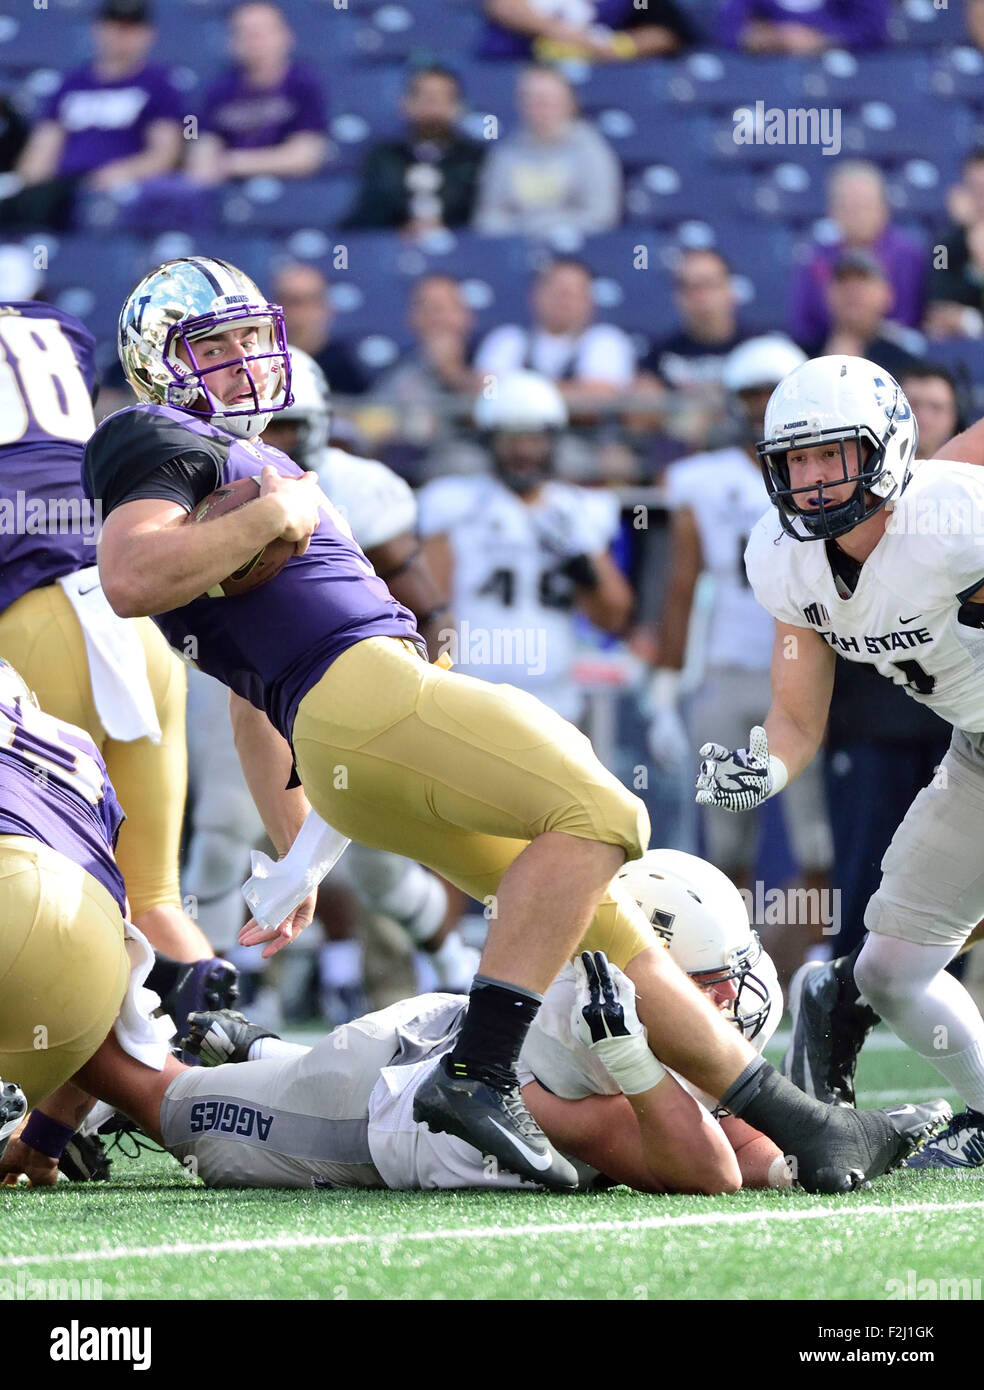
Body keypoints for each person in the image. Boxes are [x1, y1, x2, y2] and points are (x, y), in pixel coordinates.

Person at [82, 254, 932, 1194]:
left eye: (253, 340)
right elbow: (129, 576)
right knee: (611, 816)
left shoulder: (243, 463)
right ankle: (479, 1073)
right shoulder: (151, 435)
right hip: (361, 694)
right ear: (159, 361)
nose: (245, 363)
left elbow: (255, 694)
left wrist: (300, 859)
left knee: (606, 931)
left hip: (355, 729)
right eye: (218, 346)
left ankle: (802, 1126)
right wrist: (273, 511)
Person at [3, 852, 948, 1195]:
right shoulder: (592, 1030)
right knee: (161, 1097)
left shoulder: (644, 1001)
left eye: (717, 980)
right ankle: (51, 991)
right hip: (372, 1105)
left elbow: (750, 1147)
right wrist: (43, 1137)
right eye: (684, 984)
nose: (715, 1009)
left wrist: (812, 1139)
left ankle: (254, 1044)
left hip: (449, 1037)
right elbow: (705, 1171)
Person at [695, 353, 984, 1168]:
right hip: (979, 751)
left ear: (886, 450)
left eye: (834, 455)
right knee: (890, 970)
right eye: (799, 460)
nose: (815, 480)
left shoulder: (958, 515)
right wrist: (765, 768)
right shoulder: (783, 559)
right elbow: (793, 719)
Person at [0, 299, 230, 1027]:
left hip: (29, 632)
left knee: (38, 889)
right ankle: (219, 1076)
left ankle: (43, 1106)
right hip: (134, 617)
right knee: (154, 894)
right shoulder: (50, 326)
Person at [647, 336, 833, 985]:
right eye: (750, 397)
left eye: (770, 396)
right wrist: (668, 688)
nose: (759, 409)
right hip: (727, 670)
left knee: (819, 841)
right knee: (726, 845)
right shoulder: (699, 479)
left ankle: (806, 967)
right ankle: (730, 968)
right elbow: (682, 583)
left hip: (809, 669)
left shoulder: (828, 470)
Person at [418, 370, 633, 723]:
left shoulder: (577, 509)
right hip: (471, 698)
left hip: (556, 700)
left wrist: (580, 558)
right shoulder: (455, 503)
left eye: (533, 438)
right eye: (511, 439)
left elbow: (613, 616)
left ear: (553, 440)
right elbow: (429, 606)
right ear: (491, 441)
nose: (523, 451)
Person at [3, 0, 182, 230]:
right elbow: (42, 150)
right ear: (97, 29)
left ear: (148, 34)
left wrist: (116, 175)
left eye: (131, 28)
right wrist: (28, 186)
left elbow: (163, 154)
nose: (121, 35)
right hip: (64, 187)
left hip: (120, 185)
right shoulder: (71, 84)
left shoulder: (160, 84)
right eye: (114, 26)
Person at [186, 1, 328, 186]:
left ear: (286, 36)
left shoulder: (305, 84)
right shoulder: (215, 89)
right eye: (244, 34)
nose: (254, 42)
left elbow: (306, 158)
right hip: (228, 193)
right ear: (230, 42)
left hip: (295, 191)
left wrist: (234, 163)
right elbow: (201, 158)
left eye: (262, 33)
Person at [789, 162, 927, 348]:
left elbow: (912, 320)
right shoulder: (816, 259)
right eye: (847, 206)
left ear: (884, 208)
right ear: (832, 211)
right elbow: (804, 326)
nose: (856, 215)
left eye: (864, 205)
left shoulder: (908, 255)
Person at [472, 66, 622, 238]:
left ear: (569, 103)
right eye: (528, 100)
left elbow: (601, 216)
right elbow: (488, 216)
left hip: (574, 249)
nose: (536, 109)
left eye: (545, 101)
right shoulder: (505, 151)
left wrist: (543, 228)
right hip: (517, 249)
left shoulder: (591, 149)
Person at [474, 258, 635, 410]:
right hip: (510, 433)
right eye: (557, 291)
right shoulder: (507, 338)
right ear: (535, 295)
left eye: (573, 293)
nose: (564, 300)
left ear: (590, 302)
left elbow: (598, 400)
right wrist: (571, 392)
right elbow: (486, 393)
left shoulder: (607, 340)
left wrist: (515, 397)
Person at [341, 67, 485, 235]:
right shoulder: (384, 157)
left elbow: (484, 219)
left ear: (458, 106)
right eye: (424, 96)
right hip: (392, 251)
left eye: (441, 97)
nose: (432, 104)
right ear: (405, 103)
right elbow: (367, 215)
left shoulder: (476, 160)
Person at [804, 250, 926, 381]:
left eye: (863, 281)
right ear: (827, 294)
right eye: (843, 281)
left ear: (887, 295)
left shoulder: (908, 368)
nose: (852, 290)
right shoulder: (800, 357)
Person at [478, 0, 696, 62]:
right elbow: (500, 6)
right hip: (521, 65)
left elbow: (668, 33)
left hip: (600, 77)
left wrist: (620, 47)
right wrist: (568, 36)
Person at [271, 262, 366, 397]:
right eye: (291, 301)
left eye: (311, 300)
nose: (299, 313)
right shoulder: (260, 363)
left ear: (327, 308)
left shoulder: (343, 370)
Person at [719, 0, 891, 53]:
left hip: (843, 85)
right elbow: (727, 29)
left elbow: (872, 30)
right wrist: (770, 39)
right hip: (765, 77)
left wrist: (821, 41)